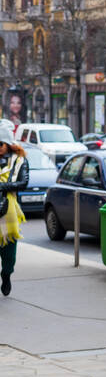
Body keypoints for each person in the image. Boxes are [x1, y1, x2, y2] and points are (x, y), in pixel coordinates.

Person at [0, 120, 28, 296]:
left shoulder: (19, 161)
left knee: (9, 253)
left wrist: (2, 186)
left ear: (8, 144)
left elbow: (23, 183)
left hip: (7, 212)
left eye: (1, 144)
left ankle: (6, 274)